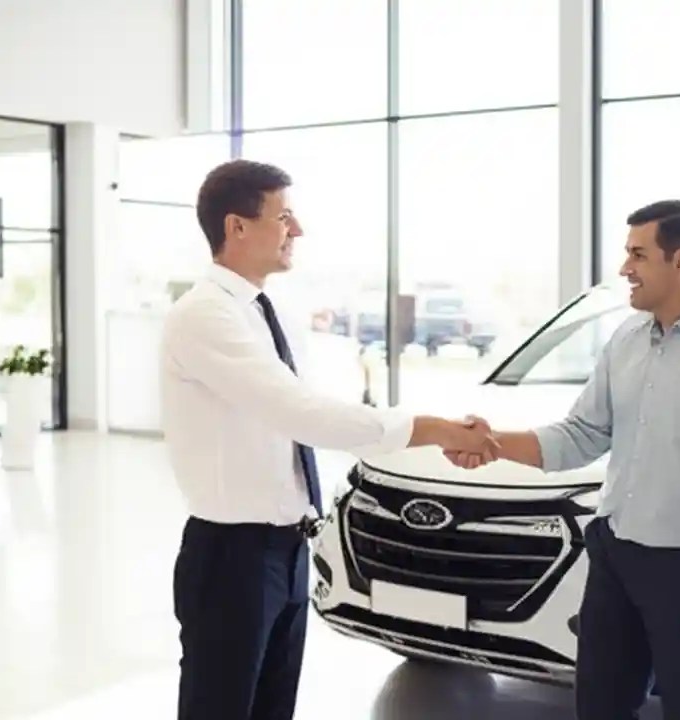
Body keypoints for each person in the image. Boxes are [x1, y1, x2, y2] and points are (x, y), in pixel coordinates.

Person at [160, 159, 498, 720]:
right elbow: (301, 413)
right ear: (236, 226)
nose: (298, 230)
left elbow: (314, 411)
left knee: (272, 708)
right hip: (231, 556)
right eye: (284, 216)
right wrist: (431, 429)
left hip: (286, 548)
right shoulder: (204, 316)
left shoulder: (268, 312)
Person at [449, 200, 680, 720]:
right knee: (600, 703)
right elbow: (581, 435)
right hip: (616, 550)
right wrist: (493, 442)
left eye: (638, 254)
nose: (624, 269)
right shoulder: (626, 340)